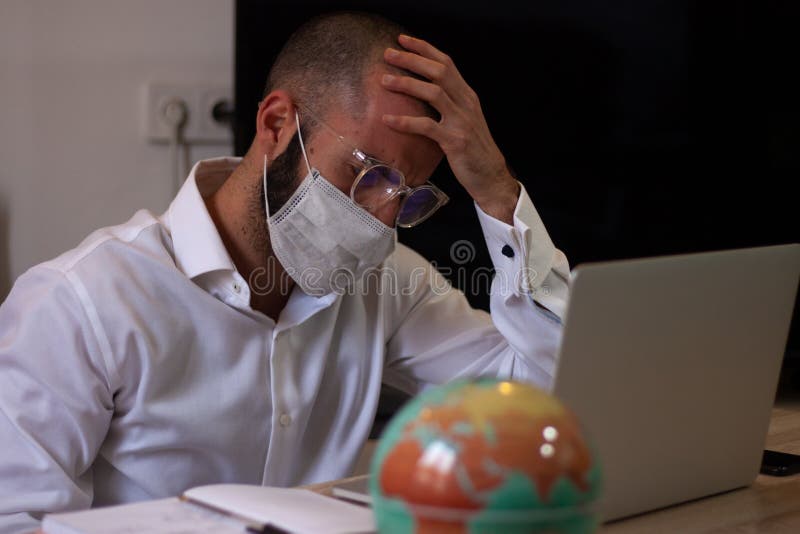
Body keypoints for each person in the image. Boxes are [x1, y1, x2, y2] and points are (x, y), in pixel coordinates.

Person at [0, 12, 569, 533]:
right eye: (367, 174)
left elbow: (543, 401)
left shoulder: (388, 284)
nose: (385, 219)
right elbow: (16, 518)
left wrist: (495, 187)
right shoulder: (80, 302)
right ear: (276, 125)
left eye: (410, 196)